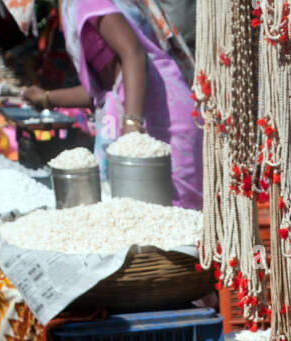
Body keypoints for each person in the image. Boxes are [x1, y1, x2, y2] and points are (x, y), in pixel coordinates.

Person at [22, 0, 201, 207]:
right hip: (148, 111)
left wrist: (132, 134)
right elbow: (103, 90)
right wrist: (46, 98)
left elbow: (133, 54)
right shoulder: (74, 7)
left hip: (162, 120)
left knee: (170, 220)